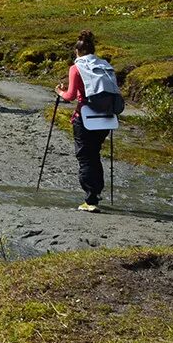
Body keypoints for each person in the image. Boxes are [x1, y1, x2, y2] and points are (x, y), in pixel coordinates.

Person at [54, 30, 119, 212]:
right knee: (94, 155)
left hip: (85, 118)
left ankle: (90, 200)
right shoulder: (104, 65)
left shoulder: (77, 68)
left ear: (77, 52)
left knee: (85, 158)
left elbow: (70, 96)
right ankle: (95, 193)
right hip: (105, 119)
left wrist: (59, 91)